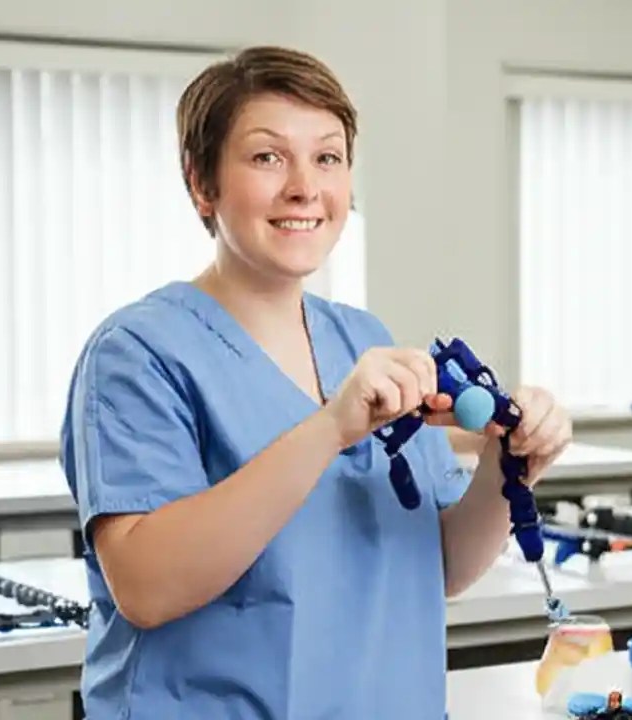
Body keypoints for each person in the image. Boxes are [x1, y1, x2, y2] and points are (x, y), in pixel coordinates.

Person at [59, 45, 572, 719]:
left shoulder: (362, 339)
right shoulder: (138, 354)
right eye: (267, 157)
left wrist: (508, 465)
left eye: (328, 157)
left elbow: (442, 566)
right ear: (201, 183)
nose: (305, 186)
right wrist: (331, 428)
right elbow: (147, 588)